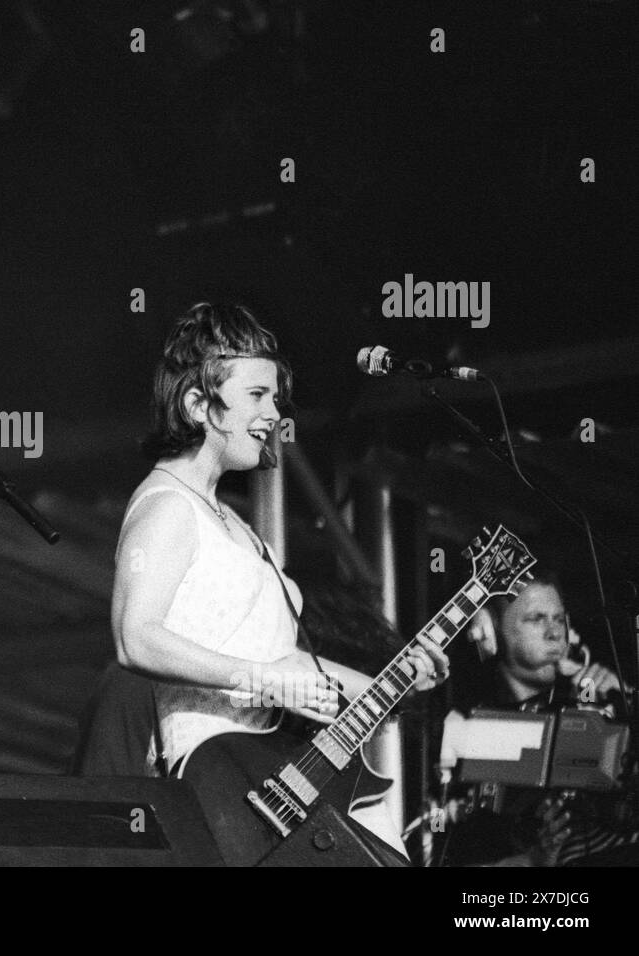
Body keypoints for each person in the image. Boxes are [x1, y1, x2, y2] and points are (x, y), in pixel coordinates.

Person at [110, 301, 450, 853]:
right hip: (217, 780)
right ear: (198, 404)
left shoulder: (237, 526)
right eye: (256, 396)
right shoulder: (167, 506)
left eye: (275, 396)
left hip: (273, 771)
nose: (274, 412)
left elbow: (285, 662)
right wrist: (264, 680)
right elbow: (135, 637)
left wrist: (397, 685)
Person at [441, 574, 637, 866]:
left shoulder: (596, 697)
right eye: (536, 619)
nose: (555, 633)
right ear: (491, 632)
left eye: (559, 619)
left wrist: (627, 701)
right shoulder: (473, 731)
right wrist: (532, 860)